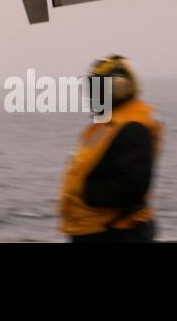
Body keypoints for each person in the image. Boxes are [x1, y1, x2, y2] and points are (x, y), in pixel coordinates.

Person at [58, 55, 162, 242]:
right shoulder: (107, 125)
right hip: (94, 230)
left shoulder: (133, 127)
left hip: (116, 233)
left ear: (117, 88)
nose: (91, 96)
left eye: (97, 89)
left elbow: (133, 187)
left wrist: (88, 194)